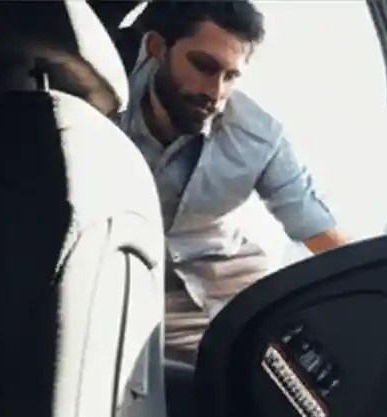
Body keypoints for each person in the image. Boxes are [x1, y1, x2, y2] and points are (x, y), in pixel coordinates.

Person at [117, 1, 351, 367]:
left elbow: (320, 233)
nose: (215, 92)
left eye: (231, 76)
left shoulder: (260, 137)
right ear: (157, 48)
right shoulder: (102, 108)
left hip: (233, 292)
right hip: (124, 295)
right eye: (204, 67)